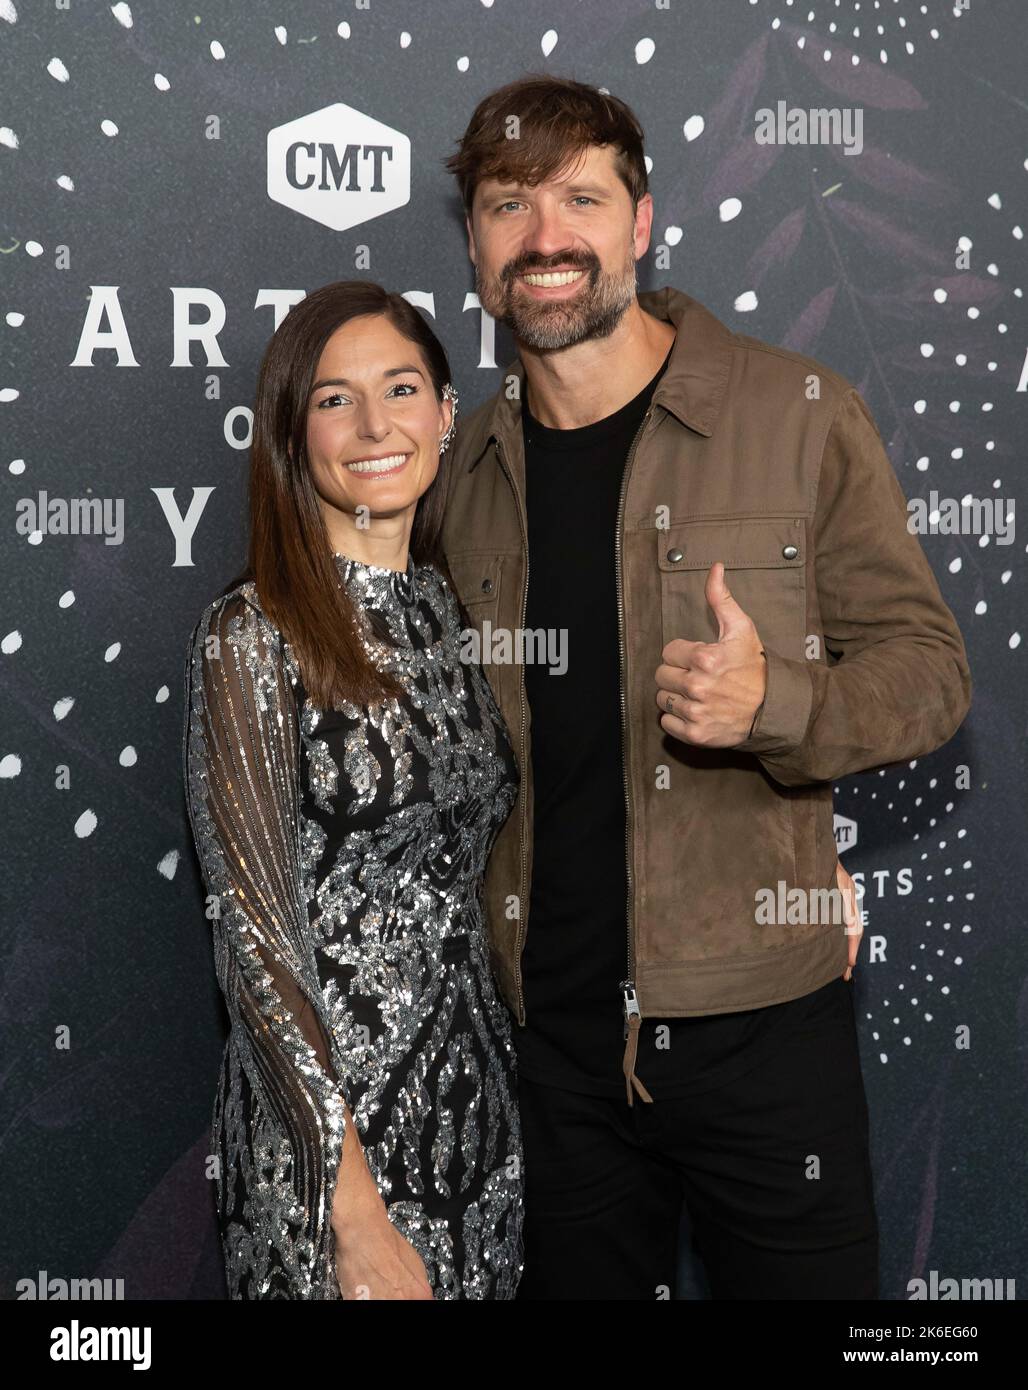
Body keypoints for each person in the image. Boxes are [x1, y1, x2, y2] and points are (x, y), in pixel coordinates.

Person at [440, 74, 972, 1299]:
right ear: (472, 245)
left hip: (764, 1037)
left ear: (639, 224)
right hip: (555, 1059)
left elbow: (929, 674)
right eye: (508, 205)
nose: (545, 237)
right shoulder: (459, 473)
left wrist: (778, 707)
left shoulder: (796, 415)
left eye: (581, 197)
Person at [182, 282, 524, 1300]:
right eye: (333, 400)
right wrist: (351, 1207)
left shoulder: (456, 618)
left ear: (446, 413)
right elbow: (255, 942)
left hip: (476, 1123)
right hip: (326, 1145)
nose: (374, 426)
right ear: (292, 433)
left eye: (401, 388)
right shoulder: (251, 636)